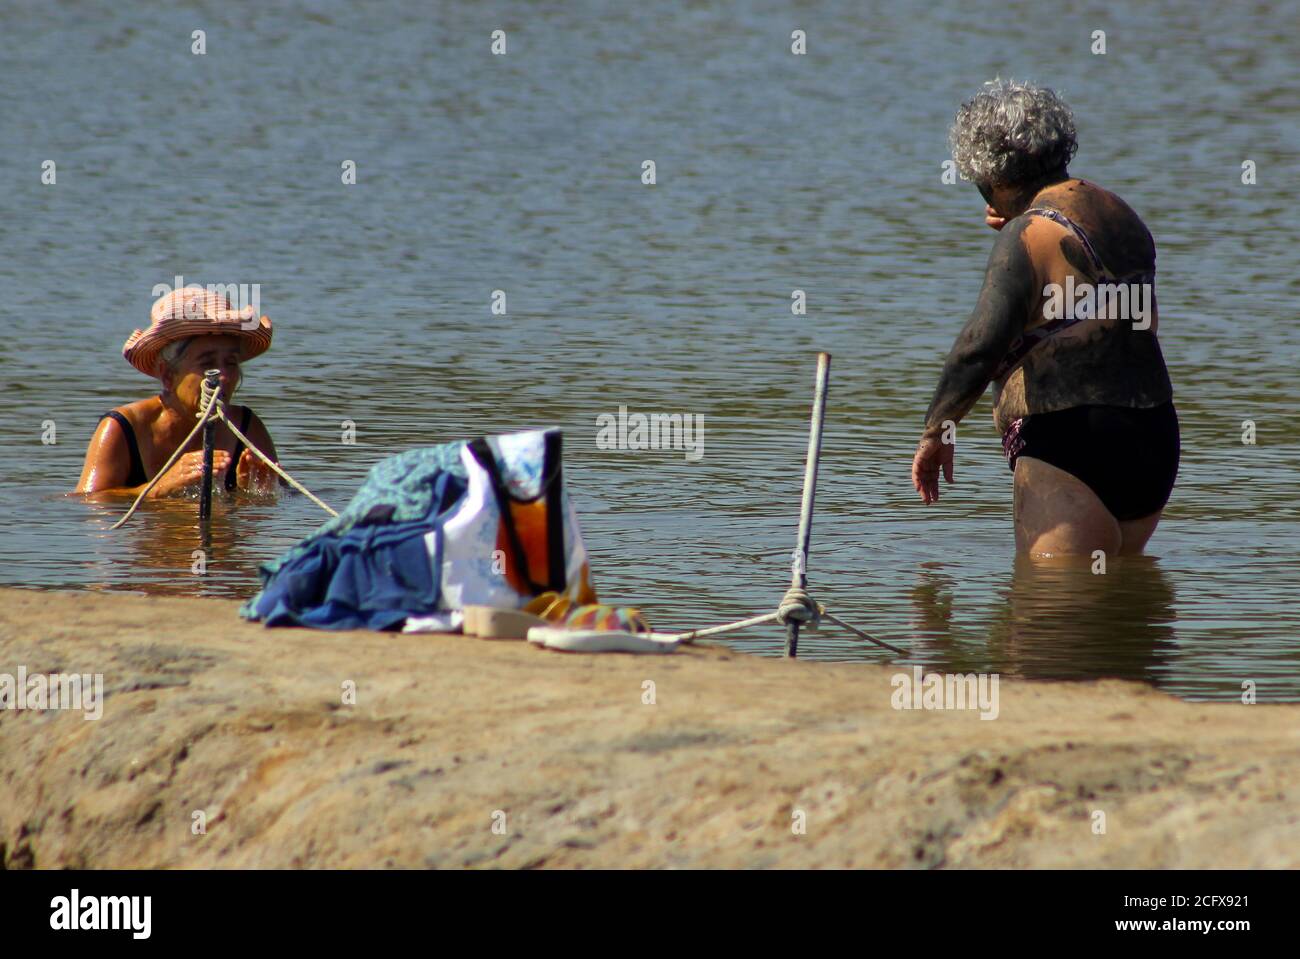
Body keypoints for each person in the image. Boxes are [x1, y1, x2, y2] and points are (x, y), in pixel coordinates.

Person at [912, 79, 1179, 558]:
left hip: (1070, 442)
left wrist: (937, 431)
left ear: (996, 176)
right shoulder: (1118, 212)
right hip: (1151, 434)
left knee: (1047, 622)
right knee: (1115, 615)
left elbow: (979, 346)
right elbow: (1136, 317)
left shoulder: (1028, 233)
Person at [75, 286, 279, 498]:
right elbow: (88, 502)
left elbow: (285, 498)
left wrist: (251, 493)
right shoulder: (123, 428)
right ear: (168, 374)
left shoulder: (246, 428)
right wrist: (160, 487)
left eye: (231, 362)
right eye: (207, 363)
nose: (223, 376)